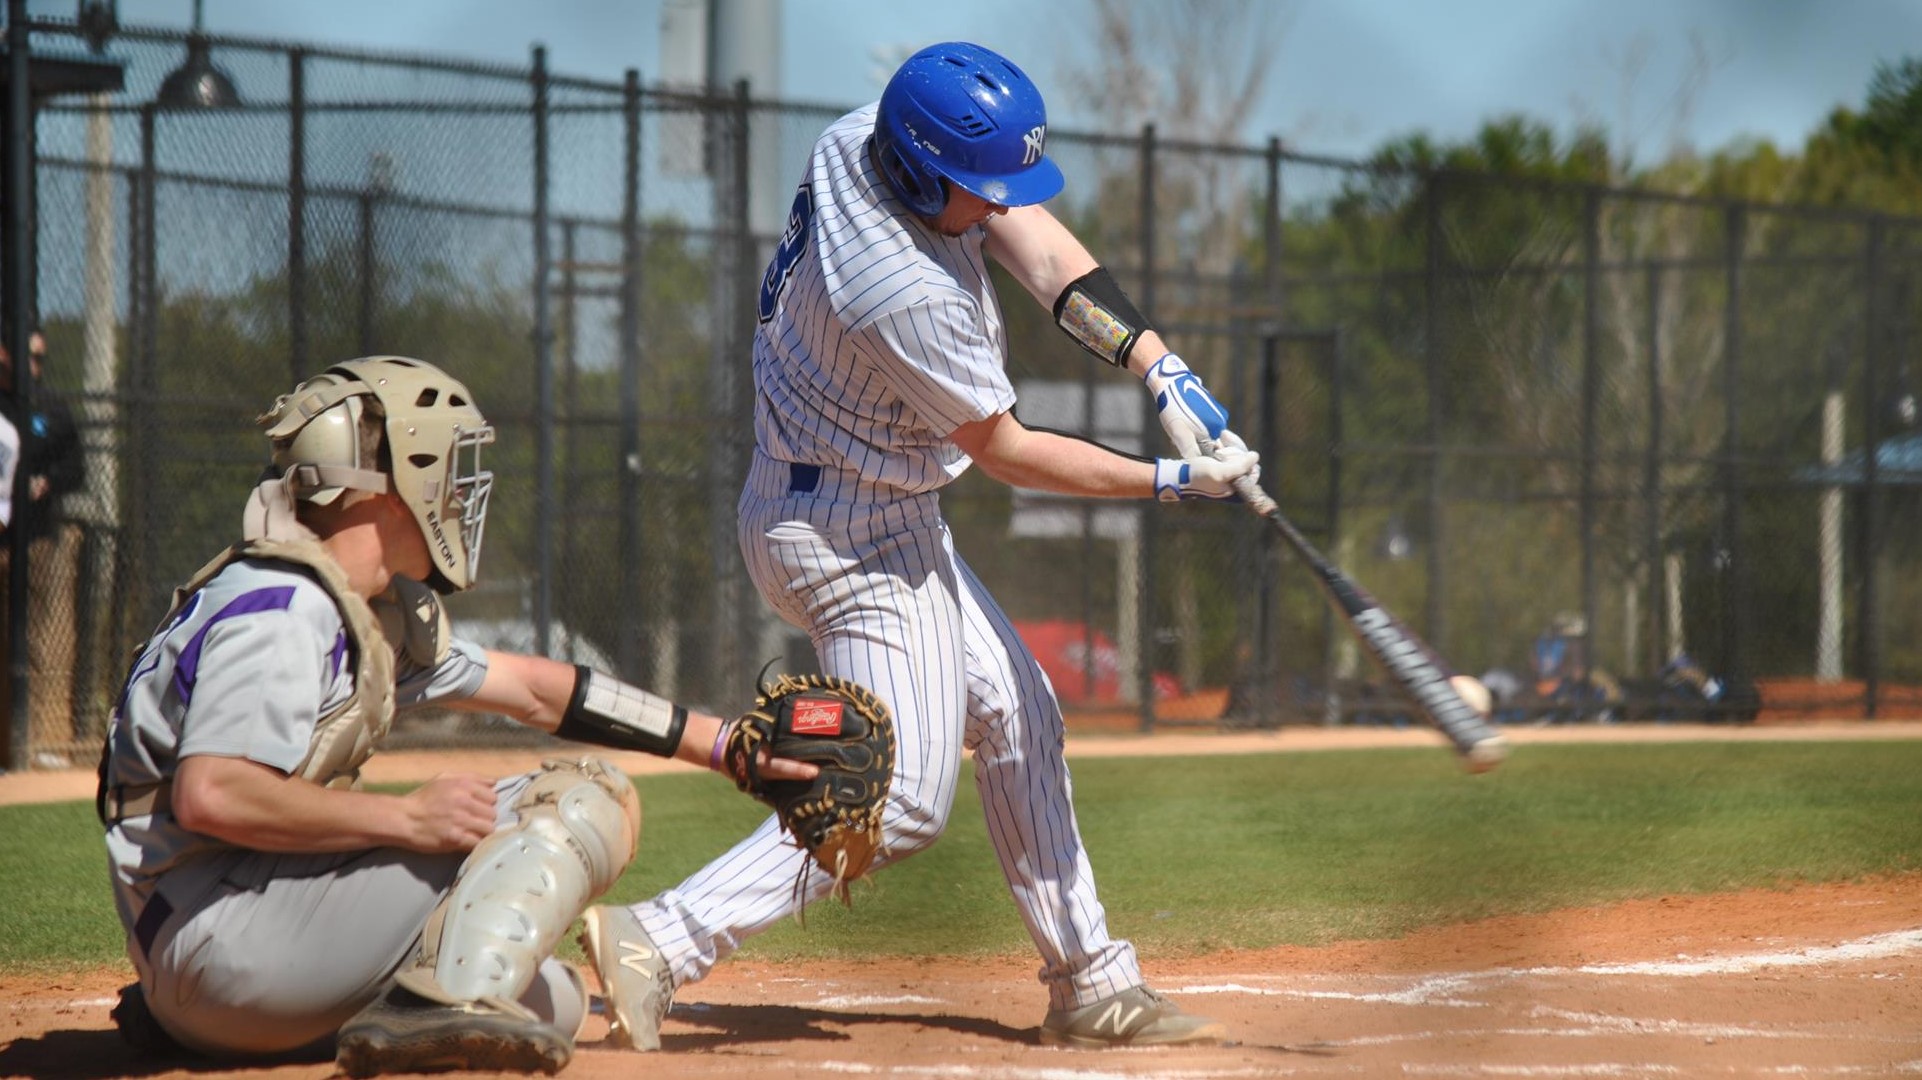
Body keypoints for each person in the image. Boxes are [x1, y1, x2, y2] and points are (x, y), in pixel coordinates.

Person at [578, 41, 1260, 1050]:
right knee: (895, 800)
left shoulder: (865, 135)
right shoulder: (897, 290)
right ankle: (662, 937)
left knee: (1022, 715)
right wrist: (1170, 480)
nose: (991, 207)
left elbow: (1031, 237)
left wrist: (1160, 367)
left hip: (874, 511)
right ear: (918, 169)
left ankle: (1091, 983)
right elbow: (1010, 453)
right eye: (974, 190)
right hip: (841, 538)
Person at [96, 355, 817, 1076]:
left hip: (224, 938)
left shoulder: (347, 604)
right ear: (385, 489)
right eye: (442, 463)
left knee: (552, 1001)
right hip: (218, 940)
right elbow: (212, 791)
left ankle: (231, 1020)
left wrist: (726, 745)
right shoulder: (284, 610)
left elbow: (536, 690)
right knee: (579, 796)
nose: (457, 488)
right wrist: (405, 820)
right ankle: (432, 1006)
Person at [0, 329, 86, 760]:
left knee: (37, 641)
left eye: (40, 357)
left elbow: (76, 467)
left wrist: (47, 482)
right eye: (26, 355)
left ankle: (34, 743)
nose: (35, 365)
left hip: (34, 540)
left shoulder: (51, 407)